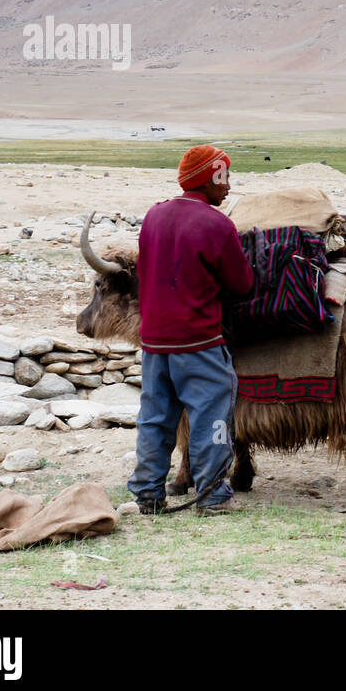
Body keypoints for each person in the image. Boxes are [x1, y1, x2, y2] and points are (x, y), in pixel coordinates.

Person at [127, 145, 254, 515]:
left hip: (153, 342)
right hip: (198, 341)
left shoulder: (153, 216)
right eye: (225, 177)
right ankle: (212, 494)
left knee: (154, 416)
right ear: (212, 177)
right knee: (210, 414)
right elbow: (242, 283)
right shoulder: (216, 224)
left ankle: (148, 494)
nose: (228, 186)